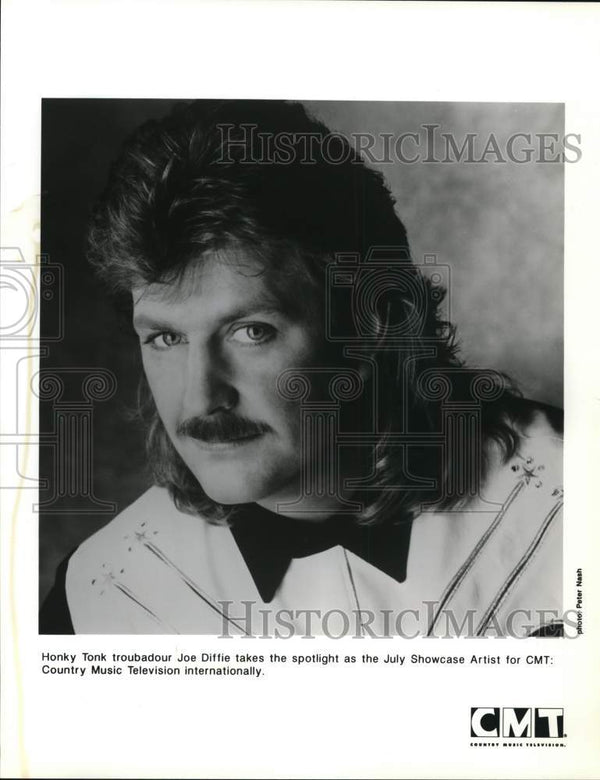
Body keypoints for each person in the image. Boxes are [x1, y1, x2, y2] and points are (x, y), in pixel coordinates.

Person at [40, 100, 564, 637]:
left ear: (372, 326)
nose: (201, 398)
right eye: (166, 338)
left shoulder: (568, 501)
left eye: (251, 331)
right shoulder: (102, 598)